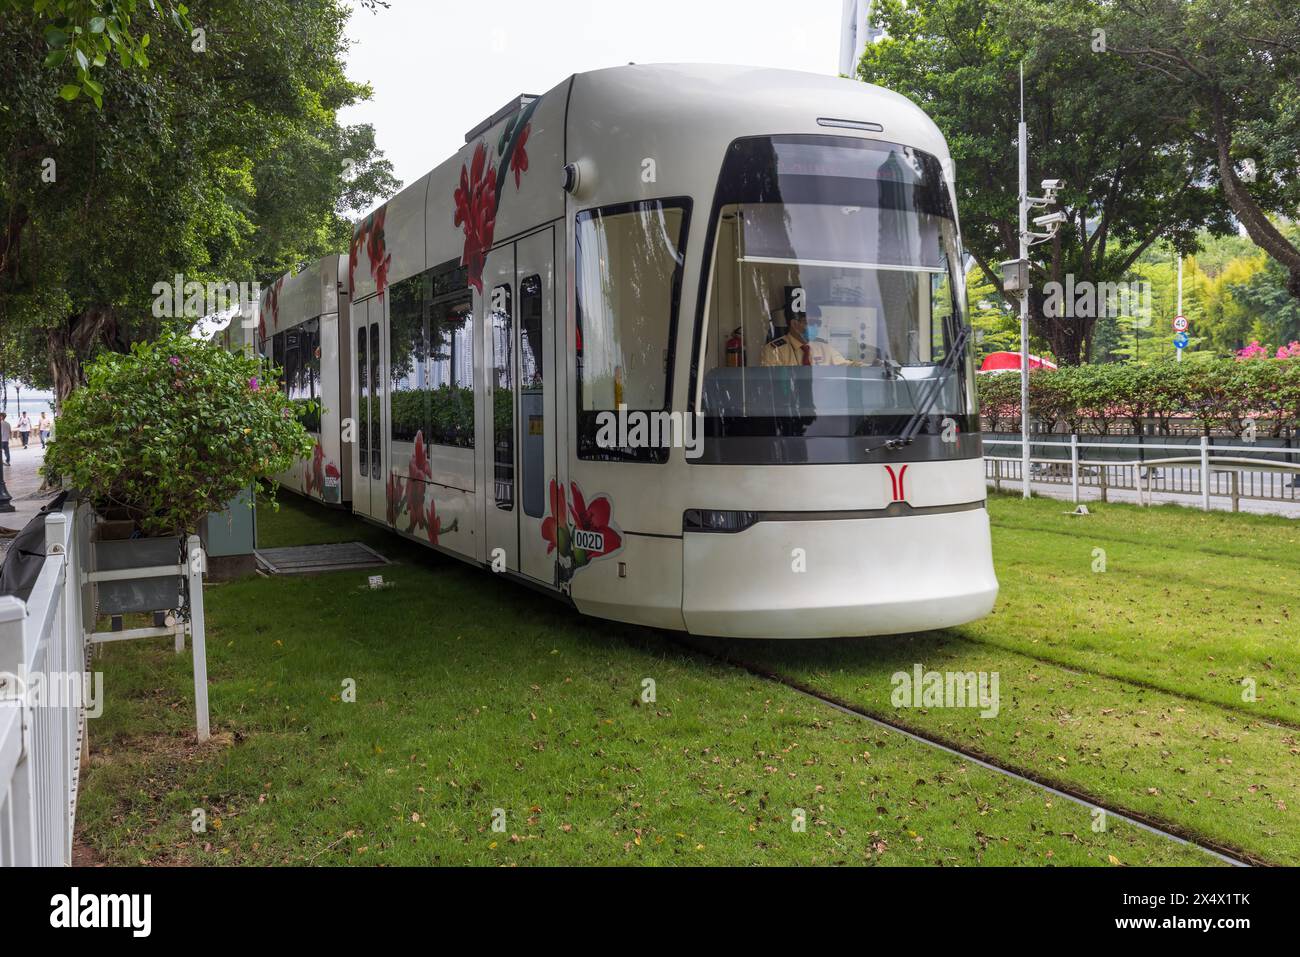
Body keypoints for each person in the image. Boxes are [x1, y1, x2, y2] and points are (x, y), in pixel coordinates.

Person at [759, 303, 860, 367]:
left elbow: (846, 366)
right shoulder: (775, 350)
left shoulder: (824, 348)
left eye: (818, 323)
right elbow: (772, 385)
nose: (816, 327)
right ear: (794, 324)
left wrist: (871, 366)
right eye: (811, 322)